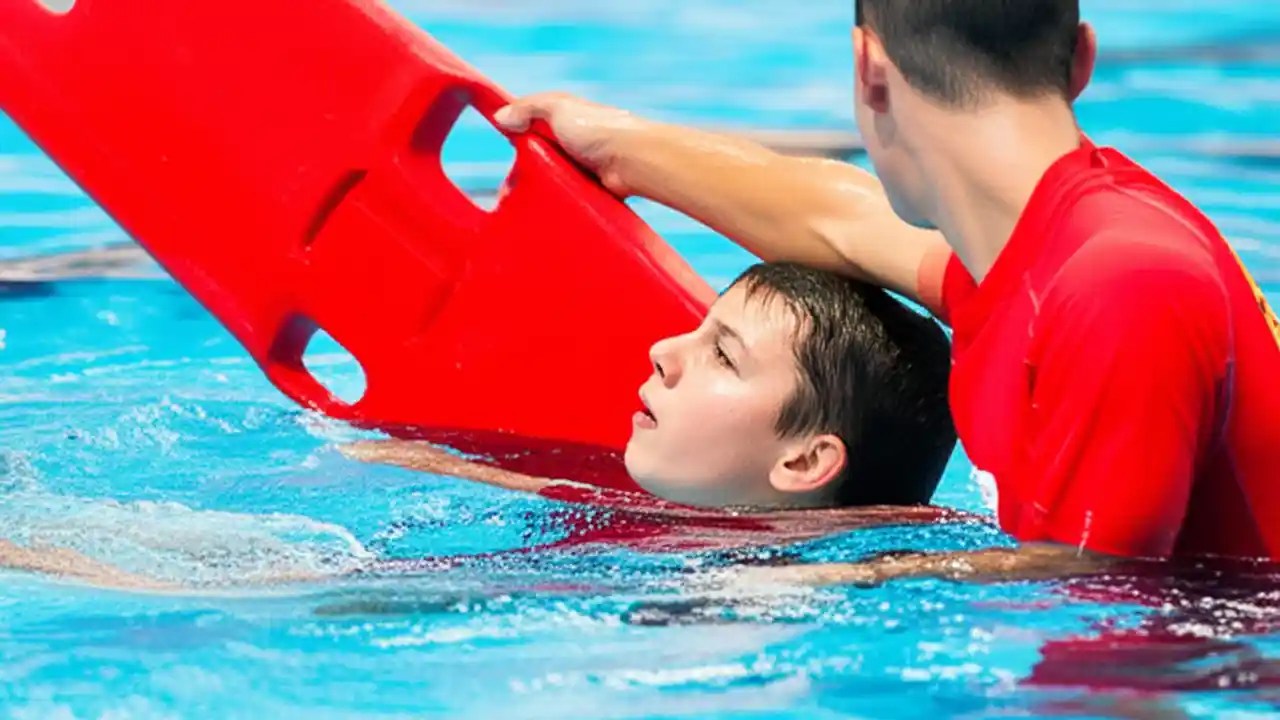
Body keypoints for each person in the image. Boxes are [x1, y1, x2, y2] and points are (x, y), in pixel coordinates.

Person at [492, 0, 1280, 578]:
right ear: (1080, 59)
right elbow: (838, 218)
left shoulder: (1118, 287)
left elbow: (1102, 603)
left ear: (868, 68)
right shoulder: (1048, 258)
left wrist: (840, 575)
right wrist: (619, 144)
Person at [0, 262, 962, 589]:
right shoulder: (695, 516)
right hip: (524, 574)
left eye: (720, 355)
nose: (667, 349)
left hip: (509, 612)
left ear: (806, 460)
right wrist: (432, 462)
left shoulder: (796, 583)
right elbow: (575, 500)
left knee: (274, 579)